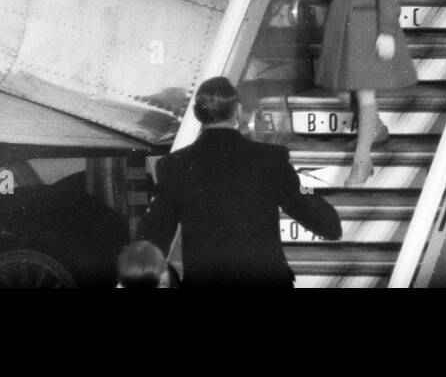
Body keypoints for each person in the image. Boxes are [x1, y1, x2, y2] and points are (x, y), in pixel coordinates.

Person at [250, 0, 417, 187]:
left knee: (364, 92)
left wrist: (387, 32)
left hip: (368, 26)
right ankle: (376, 129)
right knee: (342, 91)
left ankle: (362, 162)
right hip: (341, 25)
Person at [139, 76, 341, 287]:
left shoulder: (173, 166)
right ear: (237, 110)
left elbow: (151, 240)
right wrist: (307, 190)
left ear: (199, 114)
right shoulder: (271, 159)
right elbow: (328, 225)